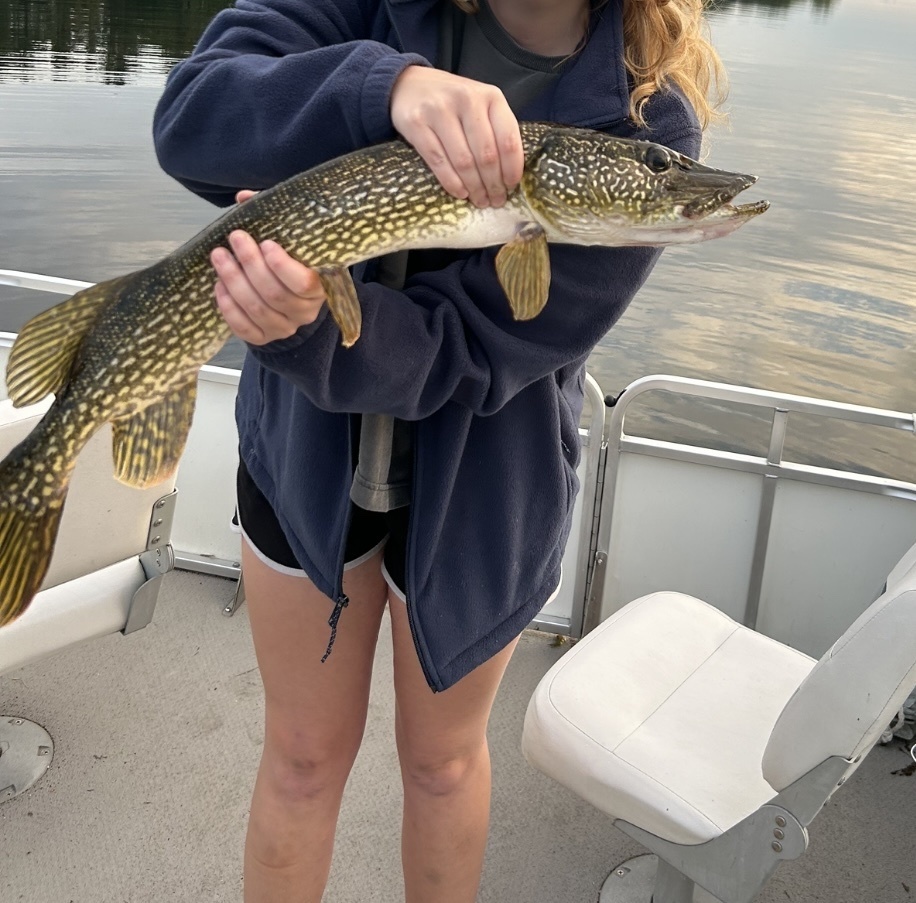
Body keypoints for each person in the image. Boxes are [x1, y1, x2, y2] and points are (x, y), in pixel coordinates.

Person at [152, 0, 725, 899]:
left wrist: (311, 331)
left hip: (485, 494)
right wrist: (386, 88)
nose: (670, 181)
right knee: (300, 760)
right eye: (656, 176)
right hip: (308, 460)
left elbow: (477, 348)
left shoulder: (644, 117)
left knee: (444, 767)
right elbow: (194, 121)